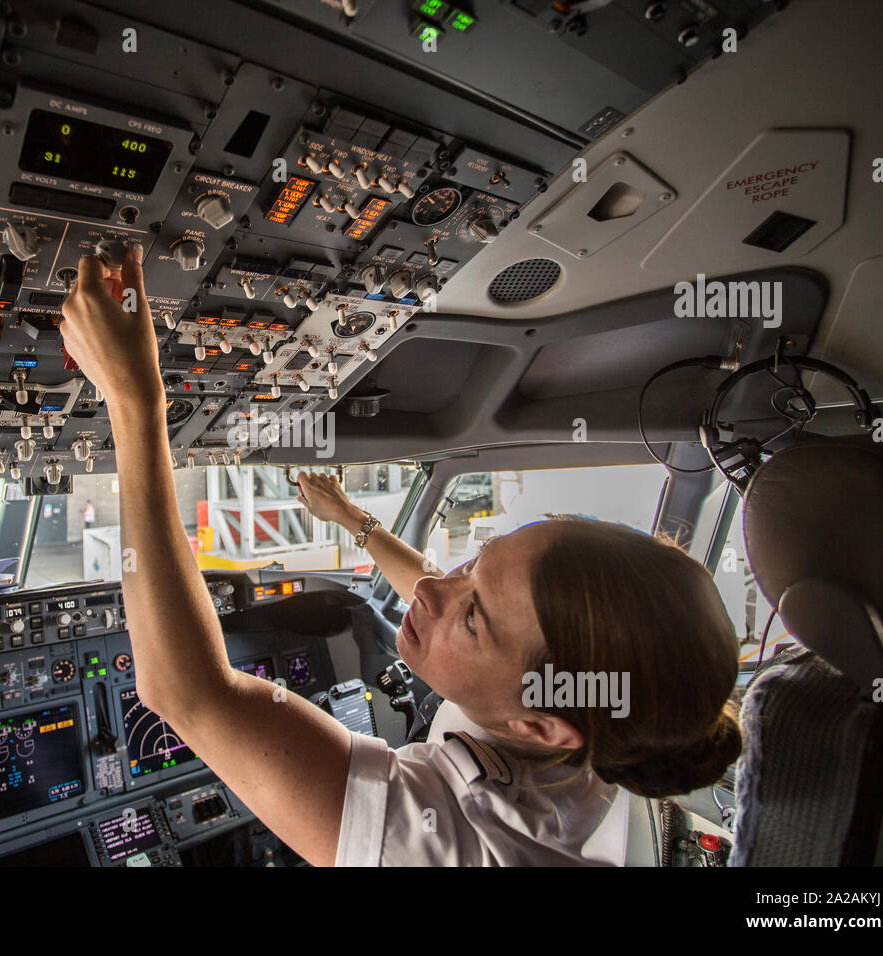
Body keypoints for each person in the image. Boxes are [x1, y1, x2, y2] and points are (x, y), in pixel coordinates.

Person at [59, 248, 742, 866]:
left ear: (538, 723)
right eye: (474, 562)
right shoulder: (607, 720)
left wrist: (134, 401)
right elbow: (450, 596)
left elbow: (187, 692)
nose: (436, 591)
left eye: (471, 616)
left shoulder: (455, 850)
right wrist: (353, 521)